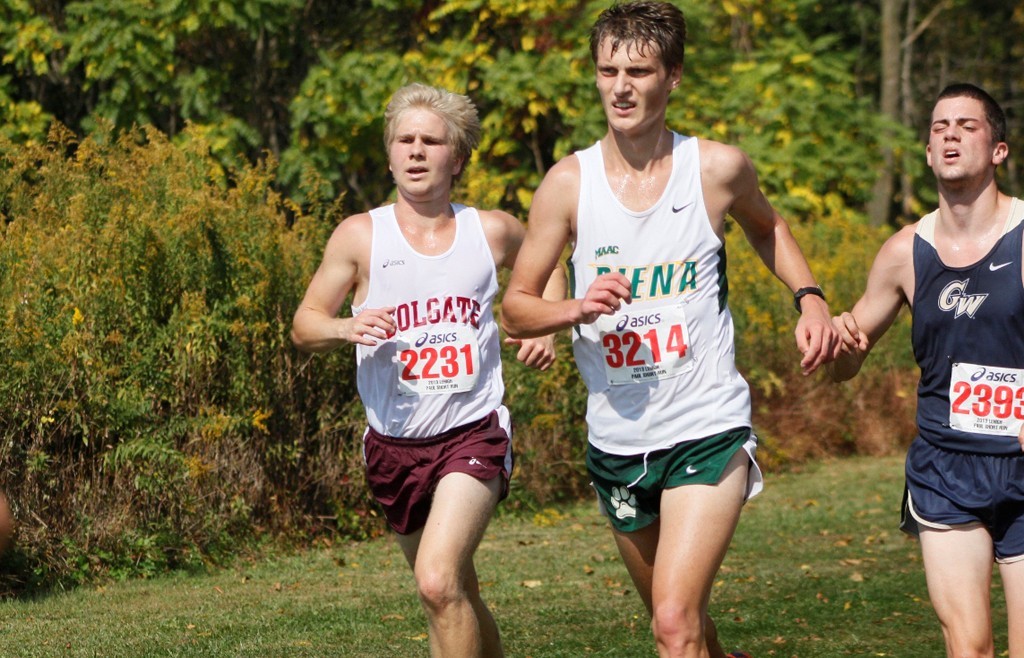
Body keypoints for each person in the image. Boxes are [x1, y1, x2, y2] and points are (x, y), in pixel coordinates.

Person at [500, 2, 837, 657]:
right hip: (618, 441)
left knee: (674, 623)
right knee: (686, 624)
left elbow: (769, 228)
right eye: (607, 70)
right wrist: (573, 309)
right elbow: (516, 306)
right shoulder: (567, 185)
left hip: (705, 427)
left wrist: (812, 298)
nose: (620, 86)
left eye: (638, 70)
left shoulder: (715, 169)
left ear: (672, 76)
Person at [291, 82, 564, 658]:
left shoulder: (490, 231)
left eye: (431, 141)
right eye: (404, 139)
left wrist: (545, 328)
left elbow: (546, 265)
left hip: (473, 432)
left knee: (438, 581)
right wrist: (345, 327)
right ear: (390, 153)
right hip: (393, 446)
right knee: (453, 590)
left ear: (456, 157)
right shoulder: (360, 236)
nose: (416, 150)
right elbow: (304, 323)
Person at [829, 83, 1024, 658]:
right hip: (946, 469)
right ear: (927, 149)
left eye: (966, 125)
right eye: (940, 127)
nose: (950, 135)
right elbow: (847, 362)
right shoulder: (902, 252)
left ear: (998, 150)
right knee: (969, 648)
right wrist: (837, 344)